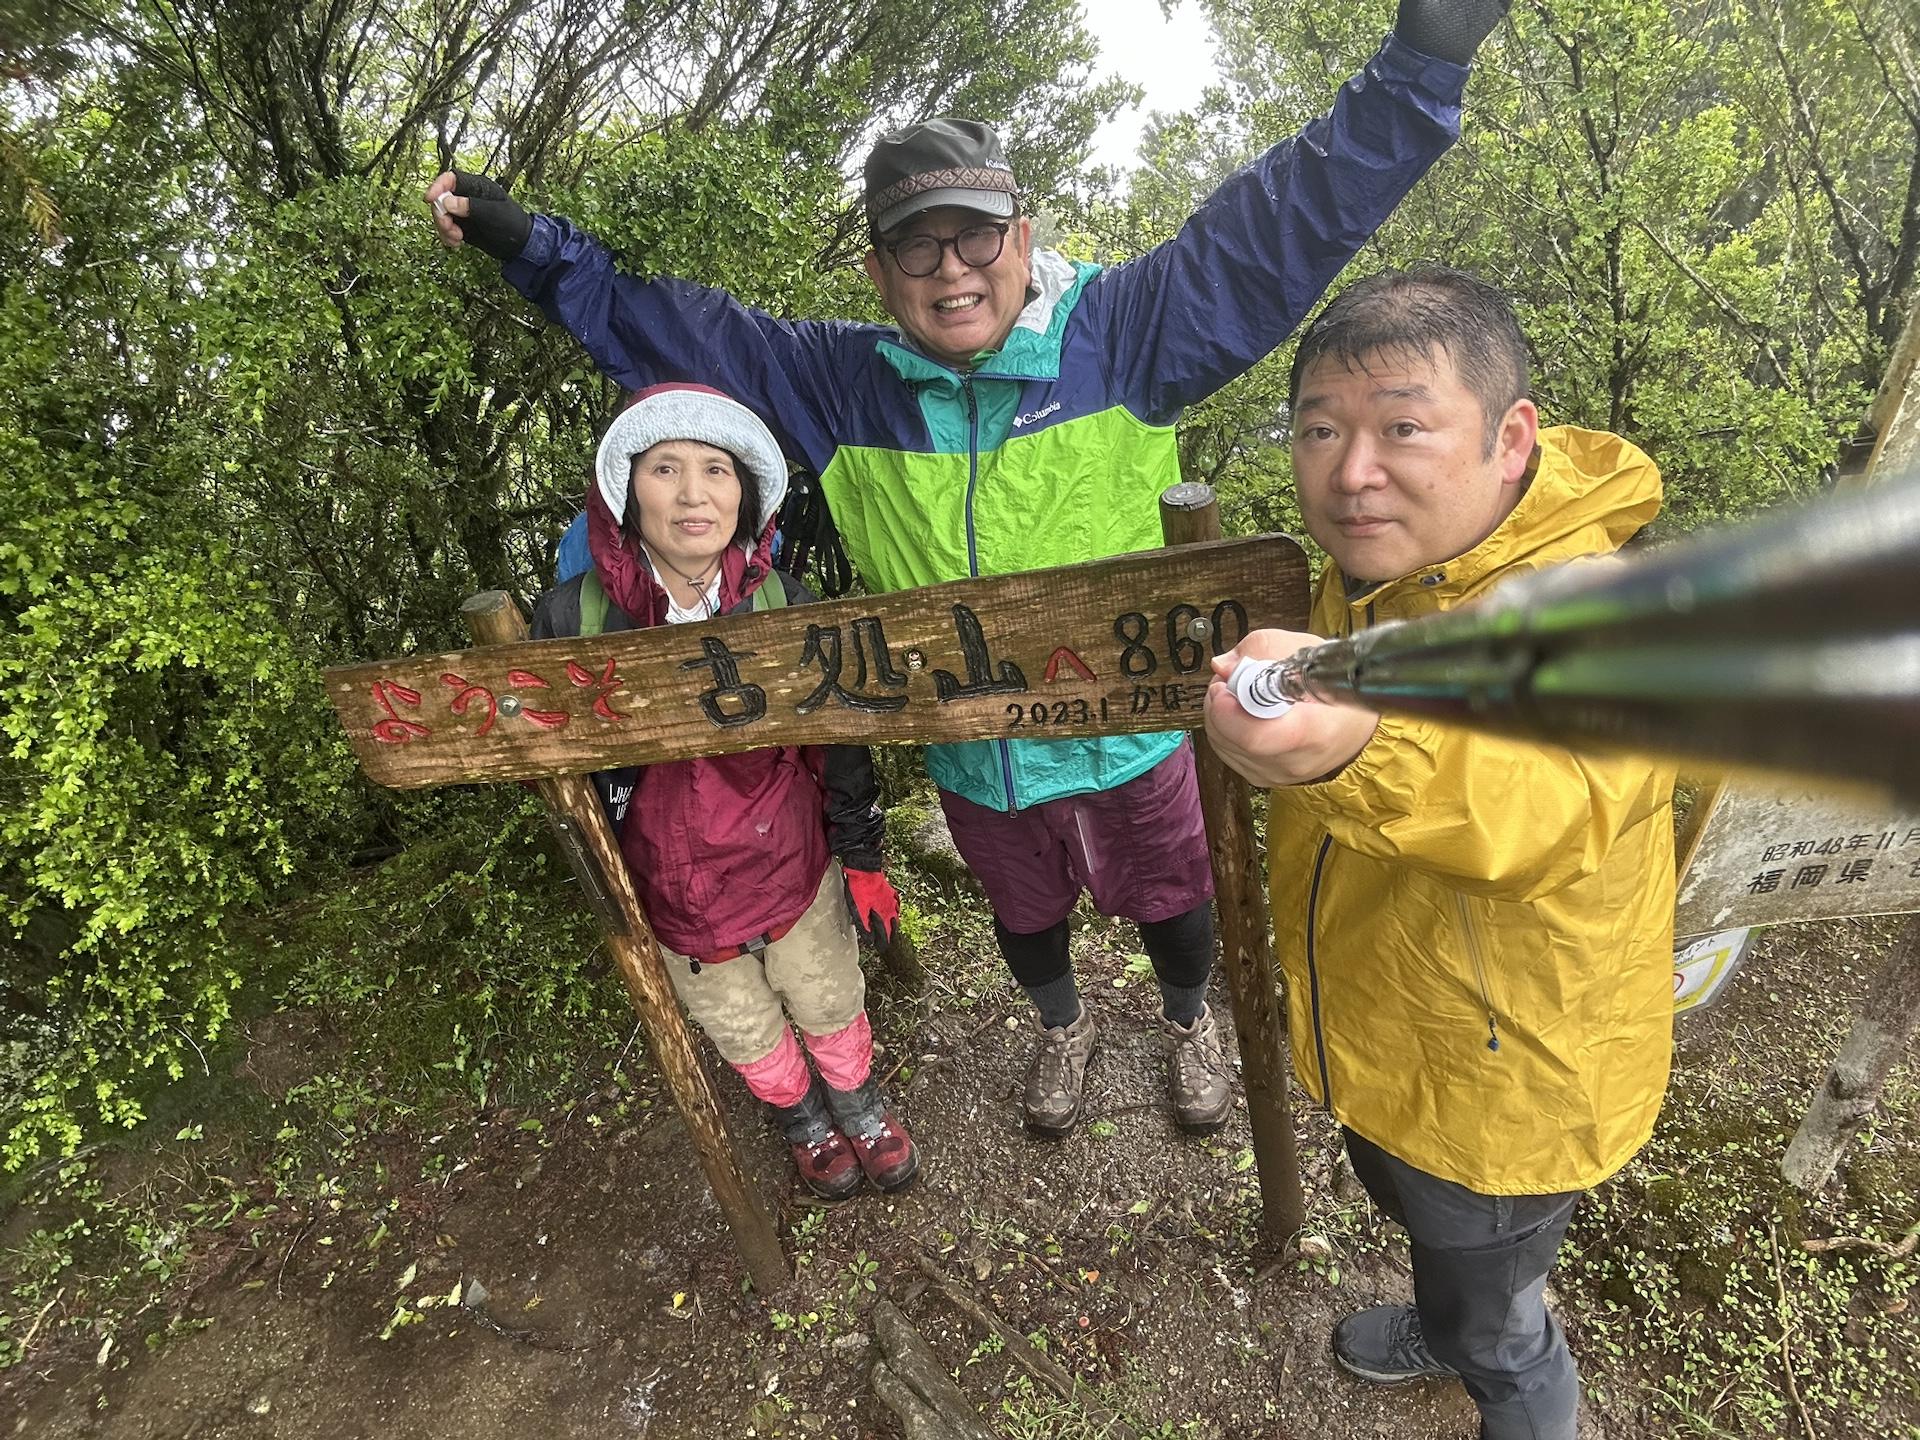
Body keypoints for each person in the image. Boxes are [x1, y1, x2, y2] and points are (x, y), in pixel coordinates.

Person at [427, 0, 1511, 1137]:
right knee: (1024, 915)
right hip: (972, 743)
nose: (952, 270)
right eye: (916, 246)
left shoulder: (1126, 331)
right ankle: (1064, 1030)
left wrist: (1419, 65)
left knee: (1175, 900)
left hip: (1130, 726)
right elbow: (670, 330)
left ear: (1023, 239)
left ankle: (1189, 1026)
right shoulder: (842, 386)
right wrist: (532, 249)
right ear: (879, 270)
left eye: (976, 236)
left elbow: (1279, 230)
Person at [1203, 267, 1676, 1440]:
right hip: (1402, 1037)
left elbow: (1550, 799)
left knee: (1502, 1313)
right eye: (1321, 429)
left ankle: (1504, 1374)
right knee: (1425, 1222)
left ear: (1511, 438)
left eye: (1404, 427)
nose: (1352, 472)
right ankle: (1446, 1318)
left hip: (1507, 1085)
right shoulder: (1377, 575)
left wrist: (1355, 743)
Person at [532, 382, 918, 1201]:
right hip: (672, 886)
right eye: (665, 468)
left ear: (746, 496)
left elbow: (841, 744)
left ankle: (858, 1102)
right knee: (739, 1022)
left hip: (791, 863)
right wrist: (610, 892)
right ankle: (805, 1121)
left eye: (716, 469)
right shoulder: (573, 618)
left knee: (826, 992)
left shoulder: (787, 606)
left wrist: (861, 855)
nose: (692, 493)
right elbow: (557, 769)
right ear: (627, 492)